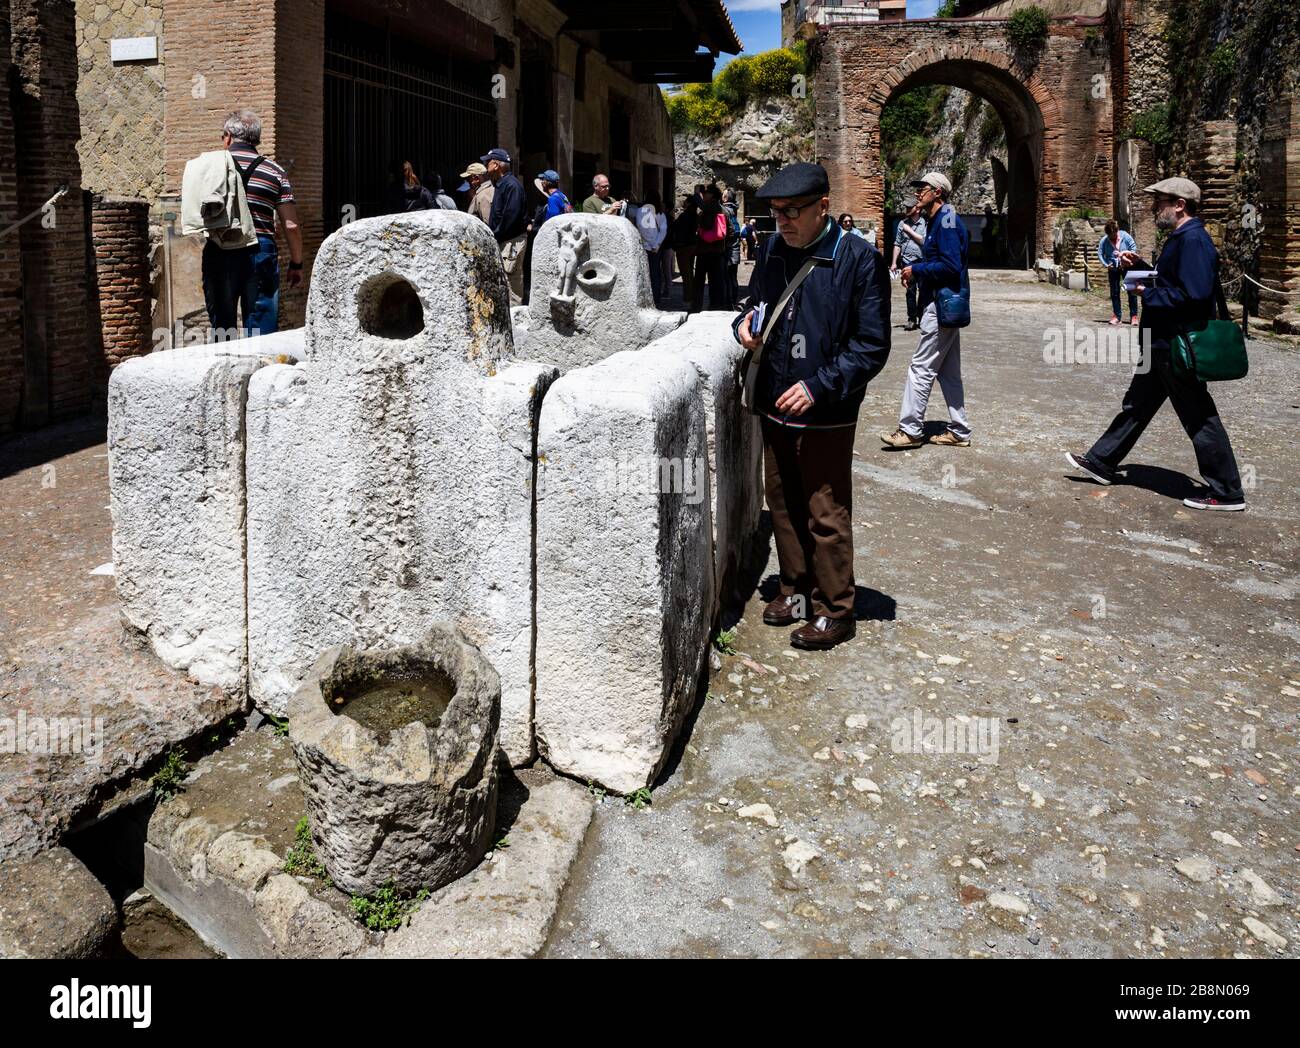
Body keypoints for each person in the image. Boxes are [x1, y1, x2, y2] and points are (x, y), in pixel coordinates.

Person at [734, 162, 890, 650]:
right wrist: (742, 326)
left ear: (823, 205)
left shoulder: (860, 260)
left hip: (825, 410)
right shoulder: (774, 250)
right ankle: (795, 591)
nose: (781, 221)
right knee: (781, 504)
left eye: (791, 211)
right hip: (775, 402)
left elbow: (871, 346)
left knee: (824, 511)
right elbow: (755, 305)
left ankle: (835, 608)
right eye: (775, 212)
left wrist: (819, 386)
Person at [1066, 177, 1246, 511]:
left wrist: (1146, 293)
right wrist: (1140, 269)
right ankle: (1102, 461)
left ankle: (1227, 491)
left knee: (1199, 416)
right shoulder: (1181, 237)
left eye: (1161, 201)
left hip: (1176, 344)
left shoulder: (1193, 240)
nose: (1154, 207)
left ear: (1180, 205)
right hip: (1161, 341)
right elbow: (1172, 283)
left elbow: (1193, 295)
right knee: (1138, 405)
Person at [882, 171, 972, 449]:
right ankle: (959, 430)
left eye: (924, 188)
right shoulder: (936, 221)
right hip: (942, 303)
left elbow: (950, 266)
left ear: (938, 193)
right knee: (948, 372)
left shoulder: (944, 221)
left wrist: (916, 269)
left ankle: (910, 430)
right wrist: (917, 271)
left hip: (940, 304)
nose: (918, 192)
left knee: (920, 367)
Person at [202, 109, 303, 339]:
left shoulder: (210, 167)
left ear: (228, 136)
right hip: (261, 250)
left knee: (222, 330)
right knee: (261, 328)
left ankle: (225, 371)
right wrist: (296, 263)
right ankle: (261, 372)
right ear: (256, 138)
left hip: (220, 250)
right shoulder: (275, 171)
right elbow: (291, 225)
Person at [482, 148, 528, 305]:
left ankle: (516, 323)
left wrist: (493, 235)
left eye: (487, 162)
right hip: (504, 241)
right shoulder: (502, 184)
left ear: (495, 164)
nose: (485, 166)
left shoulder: (511, 185)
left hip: (511, 242)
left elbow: (510, 218)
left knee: (511, 284)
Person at [890, 196, 926, 330]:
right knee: (910, 291)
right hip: (907, 261)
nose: (906, 209)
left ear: (917, 209)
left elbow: (923, 241)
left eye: (909, 207)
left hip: (921, 261)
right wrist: (894, 262)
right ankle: (911, 318)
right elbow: (897, 244)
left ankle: (922, 317)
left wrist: (909, 230)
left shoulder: (925, 223)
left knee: (923, 290)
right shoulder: (902, 223)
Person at [692, 184, 727, 313]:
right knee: (715, 280)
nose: (704, 194)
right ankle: (715, 305)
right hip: (717, 250)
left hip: (706, 250)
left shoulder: (711, 207)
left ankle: (698, 306)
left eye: (706, 193)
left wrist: (696, 196)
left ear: (711, 195)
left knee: (700, 280)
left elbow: (706, 226)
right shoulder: (719, 208)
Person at [1098, 219, 1139, 325]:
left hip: (1127, 266)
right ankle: (1117, 316)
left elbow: (1133, 247)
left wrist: (1128, 257)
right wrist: (1107, 264)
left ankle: (1134, 316)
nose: (1112, 237)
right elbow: (1100, 254)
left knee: (1132, 291)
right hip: (1113, 268)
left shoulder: (1125, 236)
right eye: (1110, 235)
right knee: (1115, 292)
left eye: (1114, 234)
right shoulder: (1104, 241)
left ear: (1117, 230)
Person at [636, 190, 668, 303]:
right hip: (656, 248)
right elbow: (663, 230)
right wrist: (656, 243)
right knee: (656, 273)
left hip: (645, 246)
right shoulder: (660, 213)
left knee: (644, 273)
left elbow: (640, 227)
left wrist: (649, 243)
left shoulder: (640, 211)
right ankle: (656, 298)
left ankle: (646, 298)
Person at [671, 194, 700, 305]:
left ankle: (688, 298)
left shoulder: (684, 216)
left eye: (686, 201)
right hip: (692, 246)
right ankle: (691, 296)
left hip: (683, 247)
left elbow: (676, 228)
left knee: (686, 274)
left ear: (689, 203)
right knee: (689, 273)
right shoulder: (695, 216)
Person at [723, 189, 742, 309]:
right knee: (733, 277)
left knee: (728, 278)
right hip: (735, 249)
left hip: (729, 249)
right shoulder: (734, 209)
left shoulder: (725, 210)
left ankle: (729, 302)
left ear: (725, 198)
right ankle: (733, 301)